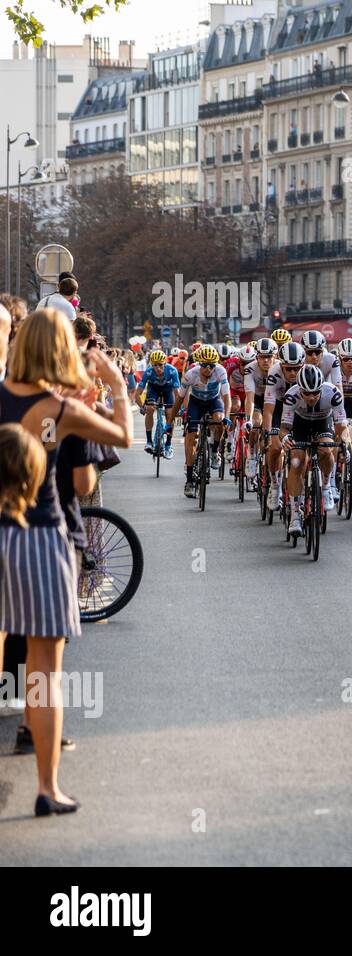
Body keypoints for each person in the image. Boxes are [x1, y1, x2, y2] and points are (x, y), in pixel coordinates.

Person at [0, 308, 133, 817]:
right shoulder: (59, 409)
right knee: (43, 671)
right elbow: (122, 437)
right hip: (40, 537)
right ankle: (47, 787)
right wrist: (117, 384)